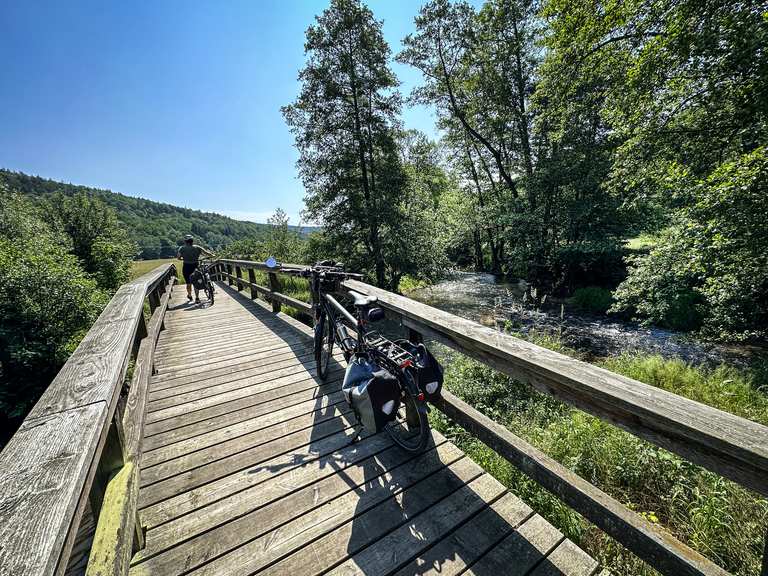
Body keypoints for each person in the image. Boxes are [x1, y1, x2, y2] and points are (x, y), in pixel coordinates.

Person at [176, 234, 213, 303]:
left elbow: (178, 257)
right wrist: (212, 255)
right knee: (196, 282)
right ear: (192, 241)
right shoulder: (197, 247)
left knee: (188, 283)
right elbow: (206, 253)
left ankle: (190, 295)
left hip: (186, 267)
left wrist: (182, 258)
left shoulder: (181, 248)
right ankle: (197, 298)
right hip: (195, 266)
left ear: (185, 241)